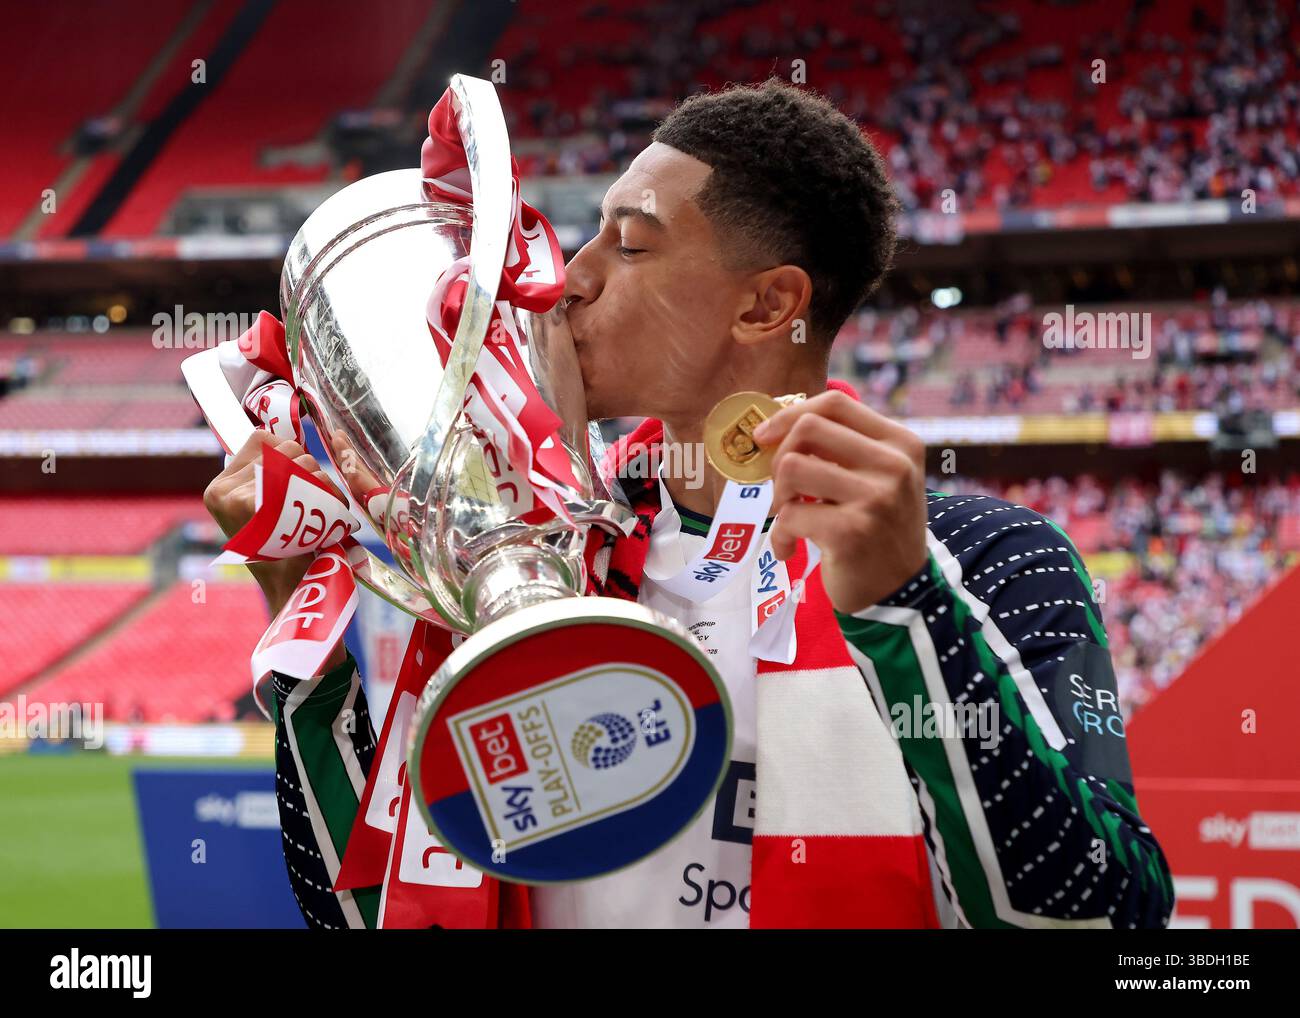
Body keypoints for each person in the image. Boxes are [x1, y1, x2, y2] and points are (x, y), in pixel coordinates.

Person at [205, 79, 1173, 929]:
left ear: (764, 306)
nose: (563, 282)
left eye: (626, 246)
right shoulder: (525, 566)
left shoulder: (983, 551)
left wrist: (909, 605)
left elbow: (1102, 912)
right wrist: (301, 616)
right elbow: (368, 912)